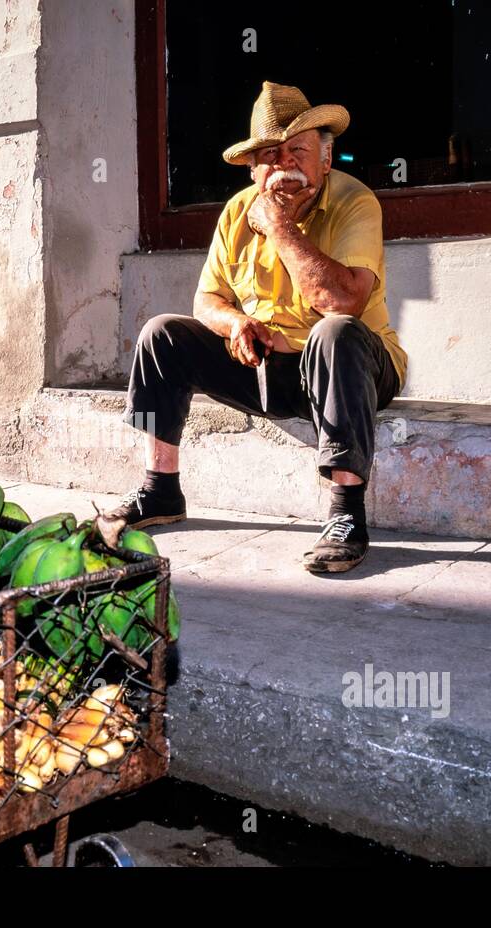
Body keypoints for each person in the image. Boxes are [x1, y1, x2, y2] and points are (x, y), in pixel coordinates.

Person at [104, 82, 407, 573]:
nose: (284, 164)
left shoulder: (356, 201)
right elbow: (207, 300)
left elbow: (343, 301)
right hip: (270, 370)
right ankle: (160, 489)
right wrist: (236, 323)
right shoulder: (237, 210)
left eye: (297, 152)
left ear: (325, 160)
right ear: (253, 167)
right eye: (270, 155)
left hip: (352, 371)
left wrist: (280, 226)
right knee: (161, 334)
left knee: (335, 331)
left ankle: (347, 515)